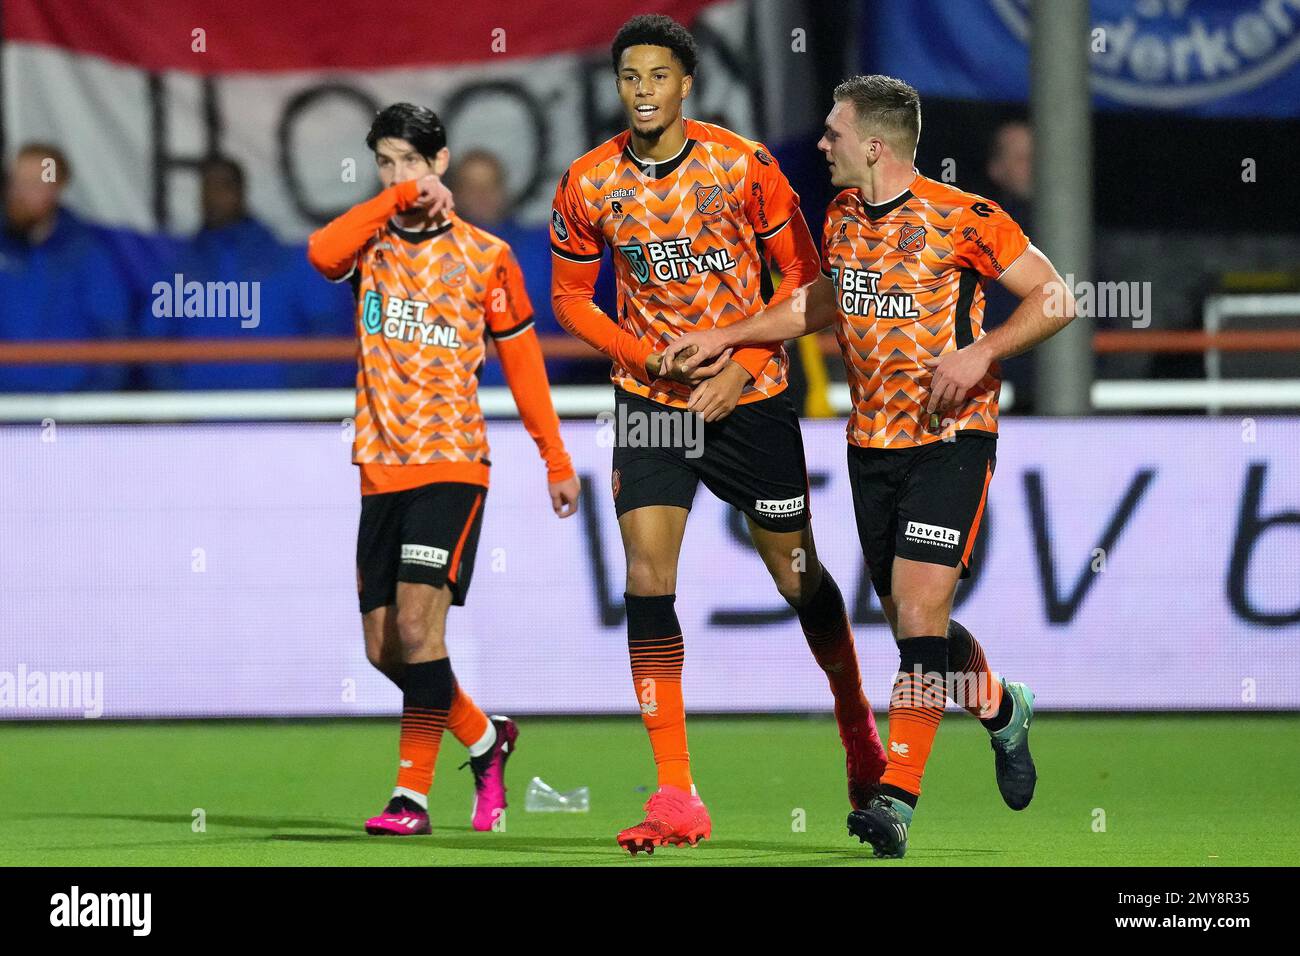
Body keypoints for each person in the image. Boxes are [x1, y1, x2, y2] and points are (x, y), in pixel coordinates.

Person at [663, 75, 1078, 858]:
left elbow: (1055, 298)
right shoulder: (845, 214)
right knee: (909, 626)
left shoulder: (966, 218)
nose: (821, 144)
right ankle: (1000, 708)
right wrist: (730, 336)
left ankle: (896, 798)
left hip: (951, 439)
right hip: (870, 447)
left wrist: (981, 351)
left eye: (832, 133)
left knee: (918, 621)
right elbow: (821, 301)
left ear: (875, 145)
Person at [551, 14, 885, 856]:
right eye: (629, 77)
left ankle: (858, 735)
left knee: (798, 575)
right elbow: (570, 299)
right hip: (650, 400)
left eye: (658, 76)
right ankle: (676, 793)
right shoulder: (588, 182)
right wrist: (645, 361)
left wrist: (739, 361)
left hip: (755, 395)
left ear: (686, 83)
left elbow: (813, 285)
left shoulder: (744, 166)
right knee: (645, 572)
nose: (642, 91)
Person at [307, 103, 580, 836]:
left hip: (451, 463)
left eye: (409, 162)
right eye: (385, 162)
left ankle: (411, 798)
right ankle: (486, 739)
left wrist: (555, 457)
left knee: (421, 632)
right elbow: (320, 253)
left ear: (441, 161)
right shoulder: (370, 243)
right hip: (378, 467)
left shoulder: (485, 256)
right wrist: (394, 200)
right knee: (383, 648)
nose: (398, 175)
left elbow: (523, 366)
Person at [142, 156, 354, 390]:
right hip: (199, 420)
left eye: (221, 187)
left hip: (279, 420)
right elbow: (152, 342)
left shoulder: (287, 262)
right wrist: (178, 400)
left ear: (241, 191)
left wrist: (291, 389)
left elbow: (328, 331)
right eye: (205, 189)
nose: (211, 198)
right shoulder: (179, 270)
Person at [0, 143, 131, 391]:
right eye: (16, 183)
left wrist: (89, 407)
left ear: (57, 188)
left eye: (33, 184)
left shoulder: (87, 255)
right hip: (5, 412)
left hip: (67, 415)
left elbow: (114, 335)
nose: (19, 194)